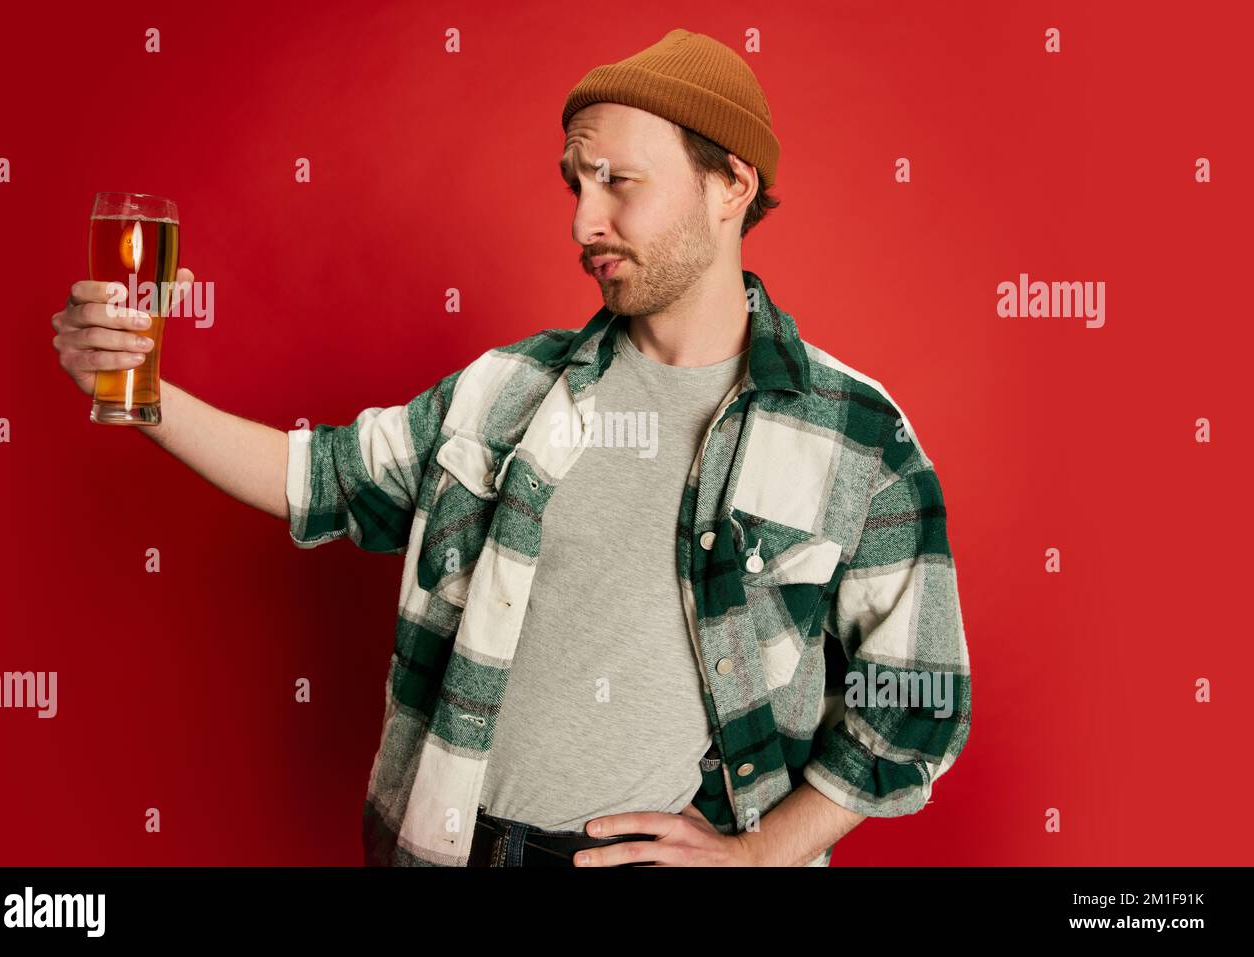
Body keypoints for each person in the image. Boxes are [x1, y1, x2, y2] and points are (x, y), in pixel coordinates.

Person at [51, 28, 971, 867]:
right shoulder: (507, 390)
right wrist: (141, 397)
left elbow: (920, 697)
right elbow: (321, 479)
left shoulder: (857, 435)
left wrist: (764, 851)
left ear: (729, 185)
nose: (582, 222)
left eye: (618, 181)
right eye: (576, 183)